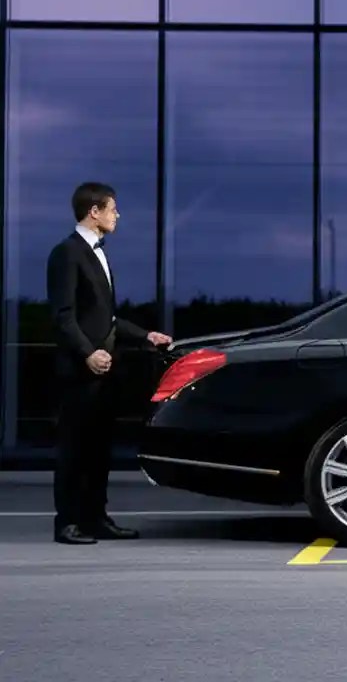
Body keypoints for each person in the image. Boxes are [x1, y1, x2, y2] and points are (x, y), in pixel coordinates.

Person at [46, 182, 172, 545]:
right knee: (74, 449)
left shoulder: (99, 253)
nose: (118, 215)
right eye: (113, 209)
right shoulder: (66, 253)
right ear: (93, 212)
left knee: (99, 449)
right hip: (79, 372)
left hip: (105, 371)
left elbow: (107, 318)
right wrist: (88, 353)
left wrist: (145, 335)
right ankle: (67, 523)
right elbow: (64, 316)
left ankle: (96, 518)